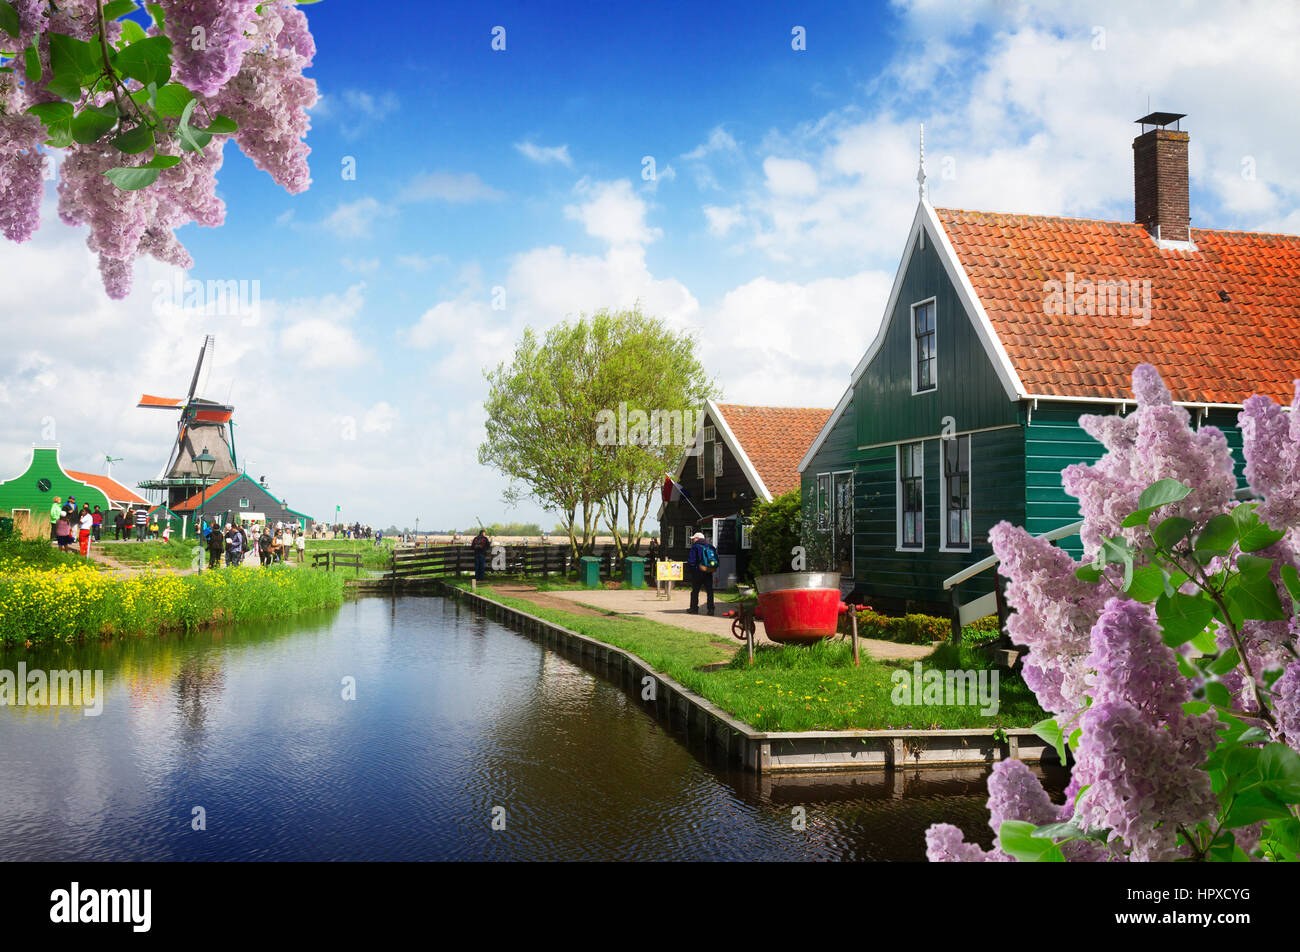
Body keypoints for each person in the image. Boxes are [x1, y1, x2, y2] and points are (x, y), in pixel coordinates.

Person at [686, 531, 716, 616]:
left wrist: (692, 570)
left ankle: (694, 608)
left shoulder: (695, 547)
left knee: (695, 591)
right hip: (708, 571)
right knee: (709, 591)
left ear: (697, 538)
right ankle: (711, 609)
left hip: (697, 572)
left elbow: (691, 561)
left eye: (694, 538)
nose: (693, 540)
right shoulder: (710, 547)